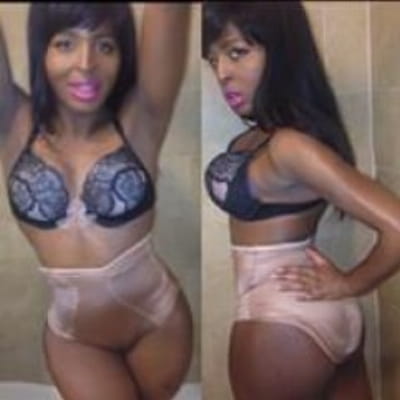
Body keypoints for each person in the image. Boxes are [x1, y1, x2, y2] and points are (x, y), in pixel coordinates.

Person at [202, 2, 400, 399]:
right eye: (213, 59)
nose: (222, 73)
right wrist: (346, 289)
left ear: (281, 50)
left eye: (237, 52)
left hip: (280, 320)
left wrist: (351, 282)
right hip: (316, 312)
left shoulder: (290, 145)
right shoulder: (267, 138)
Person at [0, 3, 192, 399]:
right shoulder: (12, 123)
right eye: (65, 43)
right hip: (76, 338)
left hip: (156, 322)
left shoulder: (142, 120)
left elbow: (169, 12)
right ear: (42, 49)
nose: (86, 63)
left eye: (105, 45)